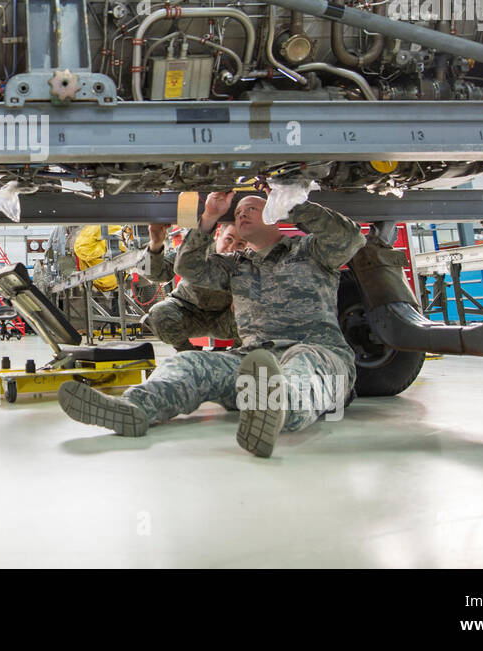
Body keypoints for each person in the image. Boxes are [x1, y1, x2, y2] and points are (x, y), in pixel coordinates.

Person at [58, 189, 366, 457]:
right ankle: (135, 408)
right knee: (191, 364)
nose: (243, 213)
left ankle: (273, 407)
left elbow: (350, 237)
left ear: (274, 215)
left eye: (253, 209)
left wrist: (291, 203)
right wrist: (207, 218)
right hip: (252, 362)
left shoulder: (311, 250)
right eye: (239, 210)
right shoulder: (235, 267)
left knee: (301, 368)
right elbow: (188, 266)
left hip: (319, 353)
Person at [139, 222, 243, 352]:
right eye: (229, 239)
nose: (231, 248)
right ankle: (187, 354)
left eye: (241, 244)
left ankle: (238, 357)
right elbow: (156, 275)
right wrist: (155, 244)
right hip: (188, 312)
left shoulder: (245, 261)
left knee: (260, 316)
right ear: (217, 235)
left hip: (223, 319)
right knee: (159, 313)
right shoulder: (195, 251)